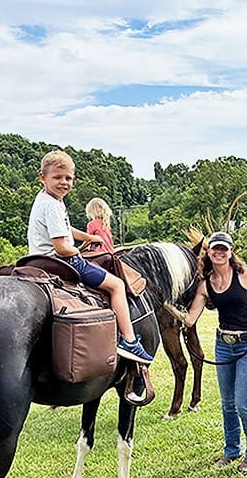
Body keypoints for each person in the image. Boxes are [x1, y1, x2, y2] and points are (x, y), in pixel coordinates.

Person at [164, 231, 247, 475]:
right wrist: (165, 304)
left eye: (224, 249)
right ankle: (232, 450)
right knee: (227, 404)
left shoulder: (244, 275)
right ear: (209, 252)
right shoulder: (205, 286)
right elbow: (191, 319)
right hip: (224, 345)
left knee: (242, 403)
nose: (219, 252)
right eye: (215, 248)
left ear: (230, 252)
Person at [27, 150, 153, 364]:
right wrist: (78, 251)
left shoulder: (47, 199)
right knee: (117, 285)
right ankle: (129, 341)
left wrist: (88, 237)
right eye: (57, 177)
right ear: (42, 177)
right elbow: (61, 246)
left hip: (38, 259)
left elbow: (65, 229)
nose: (64, 182)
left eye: (68, 178)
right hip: (62, 261)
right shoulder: (52, 205)